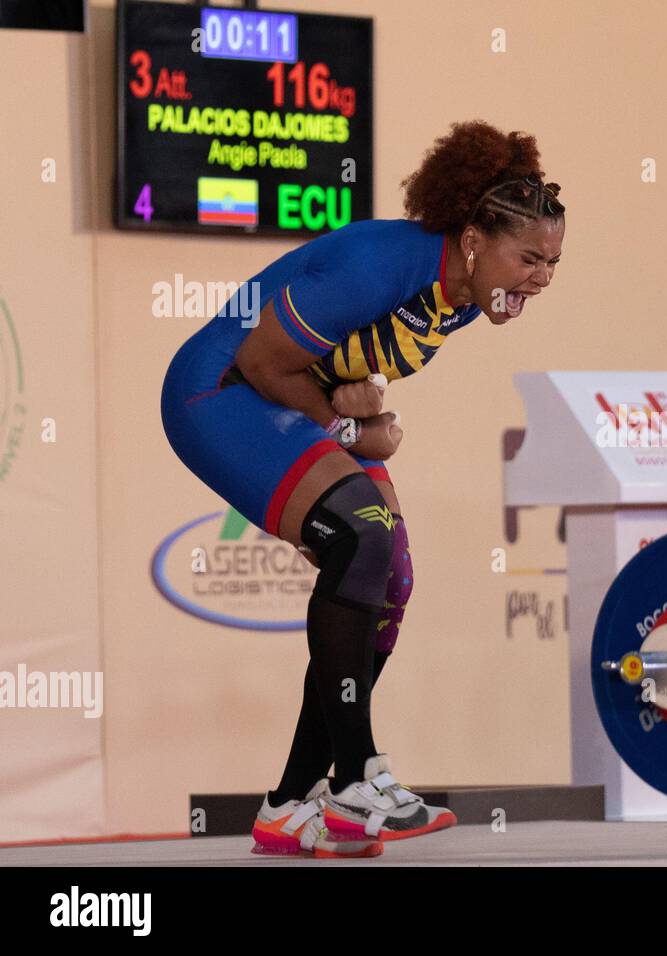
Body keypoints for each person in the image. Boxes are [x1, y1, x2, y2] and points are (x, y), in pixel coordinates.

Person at [160, 120, 565, 856]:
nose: (541, 278)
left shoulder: (468, 296)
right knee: (362, 532)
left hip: (287, 395)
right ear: (474, 240)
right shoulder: (383, 264)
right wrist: (352, 432)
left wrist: (363, 415)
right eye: (529, 258)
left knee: (393, 572)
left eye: (552, 264)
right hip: (218, 391)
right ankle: (355, 777)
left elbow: (344, 374)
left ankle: (290, 804)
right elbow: (261, 361)